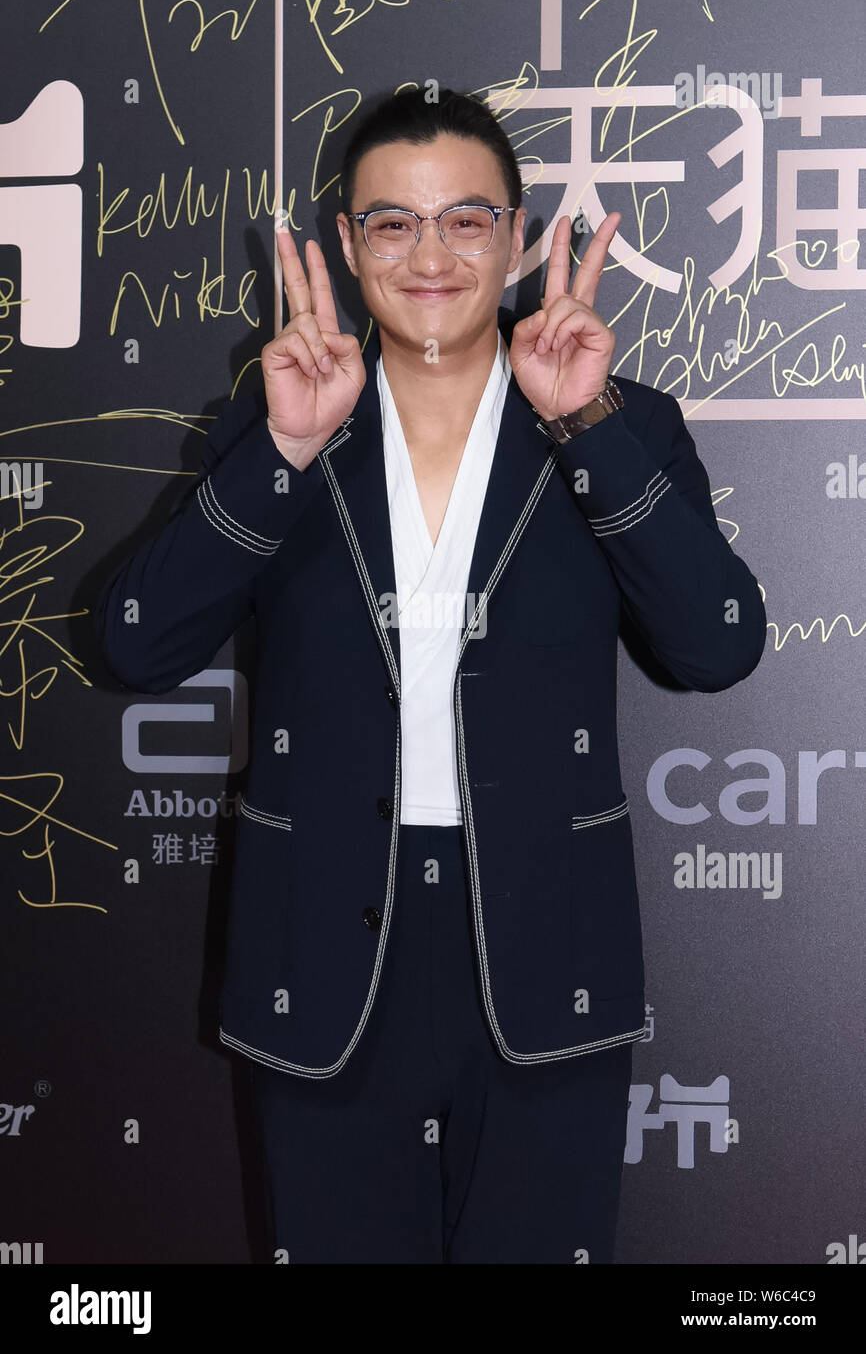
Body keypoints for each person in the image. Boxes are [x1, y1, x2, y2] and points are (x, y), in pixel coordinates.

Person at [95, 87, 766, 1264]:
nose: (431, 255)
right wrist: (287, 450)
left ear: (514, 236)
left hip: (543, 939)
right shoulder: (279, 420)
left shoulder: (622, 422)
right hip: (324, 942)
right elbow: (135, 643)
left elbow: (716, 643)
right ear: (347, 246)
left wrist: (586, 425)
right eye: (392, 224)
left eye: (464, 219)